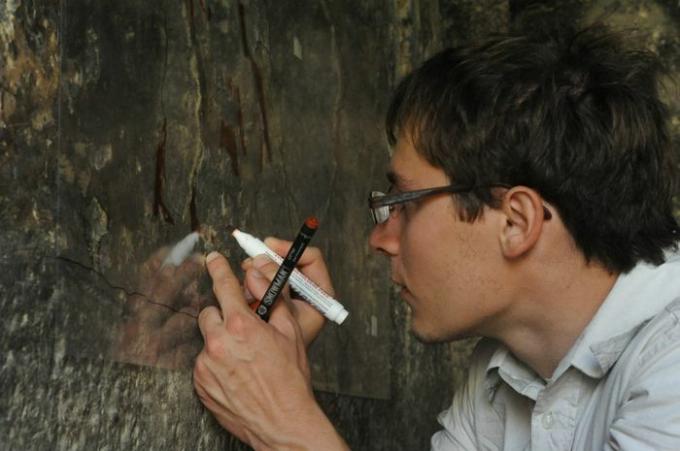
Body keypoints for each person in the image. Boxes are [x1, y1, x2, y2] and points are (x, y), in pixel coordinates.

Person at [192, 25, 680, 450]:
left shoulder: (671, 362)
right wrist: (283, 383)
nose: (378, 240)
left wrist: (285, 425)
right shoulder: (500, 371)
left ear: (516, 222)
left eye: (401, 203)